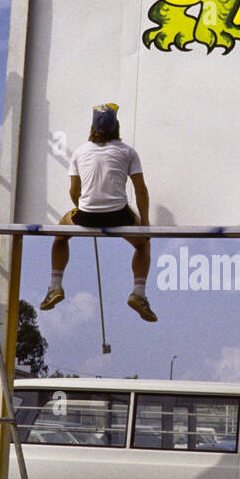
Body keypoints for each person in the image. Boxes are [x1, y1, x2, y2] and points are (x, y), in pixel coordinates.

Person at [40, 103, 157, 322]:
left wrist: (85, 208)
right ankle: (138, 293)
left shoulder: (79, 152)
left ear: (92, 127)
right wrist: (146, 225)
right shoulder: (128, 152)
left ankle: (55, 286)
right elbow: (141, 191)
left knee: (60, 234)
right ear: (117, 127)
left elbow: (74, 192)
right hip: (118, 214)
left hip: (86, 214)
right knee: (143, 244)